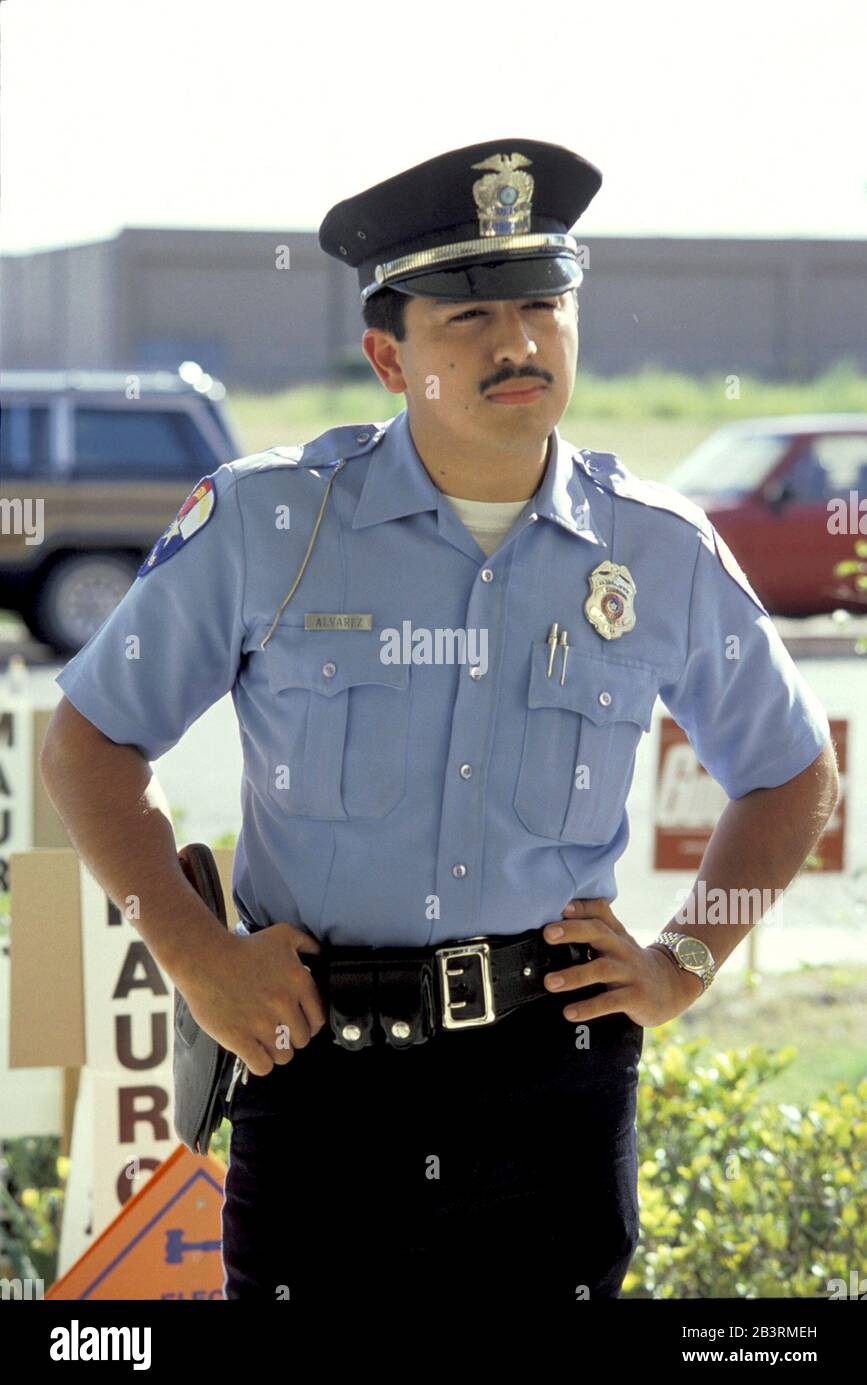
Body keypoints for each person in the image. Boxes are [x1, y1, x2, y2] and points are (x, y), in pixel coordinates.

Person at [40, 138, 839, 1306]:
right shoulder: (271, 524)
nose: (518, 342)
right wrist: (197, 957)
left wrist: (682, 963)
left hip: (553, 1092)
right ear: (388, 356)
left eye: (542, 304)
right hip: (323, 1085)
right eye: (469, 316)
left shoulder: (655, 547)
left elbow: (793, 775)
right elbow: (88, 743)